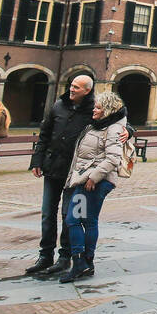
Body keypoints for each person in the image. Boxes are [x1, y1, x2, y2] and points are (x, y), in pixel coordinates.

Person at [25, 74, 96, 278]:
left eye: (76, 87)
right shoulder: (58, 106)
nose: (71, 89)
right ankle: (45, 255)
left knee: (68, 216)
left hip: (75, 174)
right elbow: (44, 134)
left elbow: (118, 119)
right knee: (48, 213)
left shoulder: (94, 110)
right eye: (71, 85)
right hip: (52, 168)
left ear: (87, 90)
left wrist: (128, 130)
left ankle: (64, 258)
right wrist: (37, 161)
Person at [60, 90, 130, 283]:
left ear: (107, 110)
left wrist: (93, 177)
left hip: (91, 184)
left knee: (74, 220)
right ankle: (87, 263)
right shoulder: (99, 125)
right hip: (89, 181)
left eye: (98, 107)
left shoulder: (113, 129)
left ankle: (79, 262)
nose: (94, 109)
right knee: (89, 221)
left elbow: (114, 158)